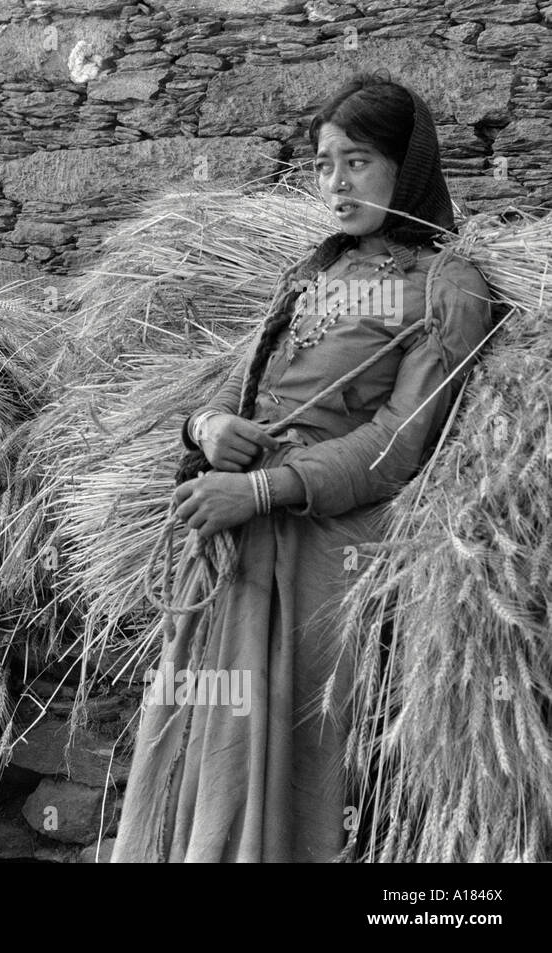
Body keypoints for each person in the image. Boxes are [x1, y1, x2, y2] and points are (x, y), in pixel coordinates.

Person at [112, 74, 495, 863]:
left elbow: (398, 444)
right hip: (233, 548)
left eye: (356, 161)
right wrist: (207, 425)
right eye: (324, 165)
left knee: (299, 765)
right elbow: (248, 389)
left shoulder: (446, 288)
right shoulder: (313, 274)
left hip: (325, 556)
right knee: (201, 757)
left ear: (408, 166)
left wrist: (260, 489)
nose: (335, 183)